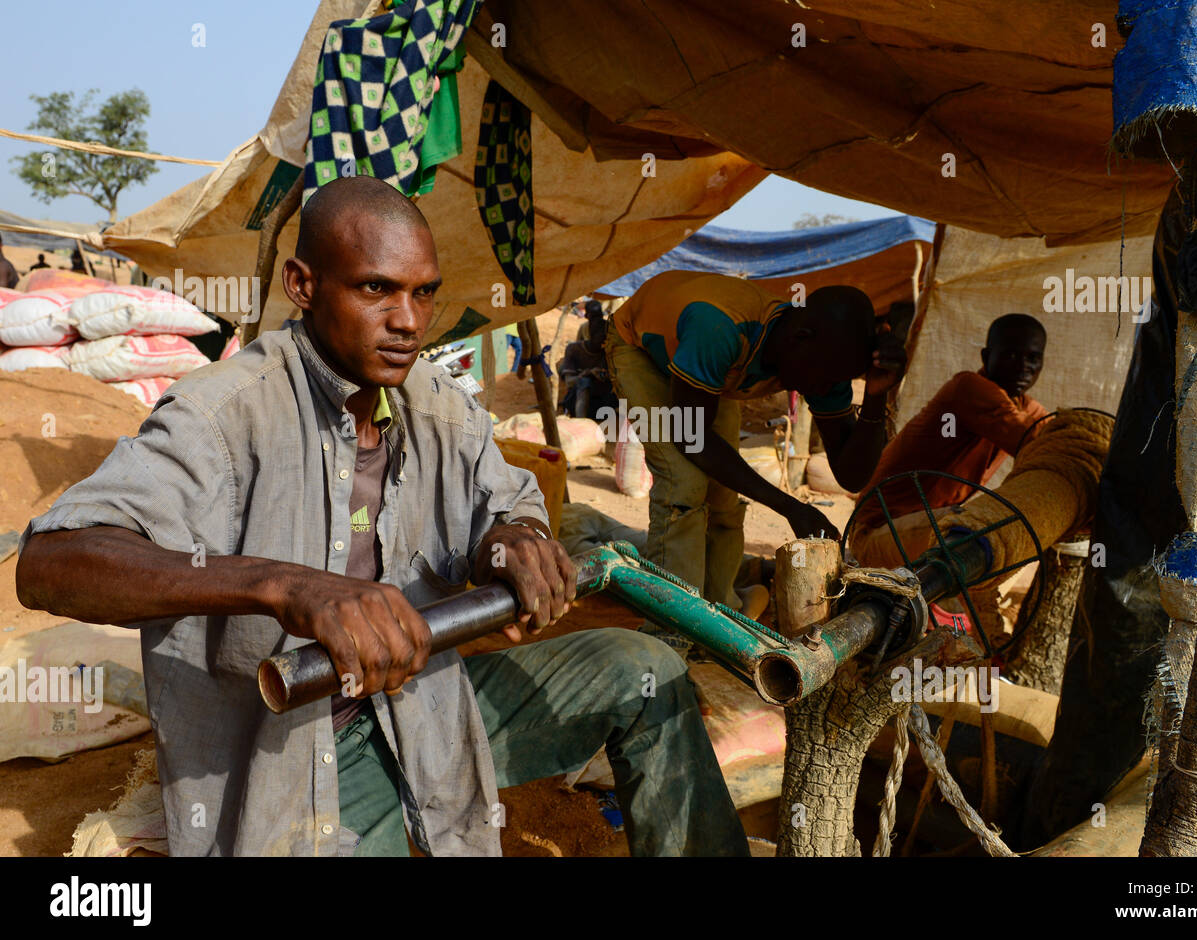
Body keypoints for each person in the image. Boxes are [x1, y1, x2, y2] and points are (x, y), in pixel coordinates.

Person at [16, 175, 746, 857]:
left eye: (424, 294)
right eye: (377, 290)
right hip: (295, 751)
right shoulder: (223, 414)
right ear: (302, 285)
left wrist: (511, 543)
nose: (408, 321)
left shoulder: (434, 400)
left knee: (644, 671)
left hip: (427, 708)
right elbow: (53, 562)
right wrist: (284, 586)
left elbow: (508, 502)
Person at [605, 270, 906, 641]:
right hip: (641, 349)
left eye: (836, 381)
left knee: (724, 497)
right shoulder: (719, 328)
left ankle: (718, 618)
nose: (825, 390)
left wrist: (877, 395)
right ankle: (672, 634)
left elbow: (852, 475)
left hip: (716, 374)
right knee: (684, 486)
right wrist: (790, 506)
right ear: (801, 337)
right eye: (825, 378)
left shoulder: (825, 362)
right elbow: (691, 439)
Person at [847, 312, 1050, 568]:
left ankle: (945, 600)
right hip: (878, 534)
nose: (1023, 367)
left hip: (919, 531)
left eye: (1033, 359)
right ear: (987, 358)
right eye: (1011, 355)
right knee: (984, 529)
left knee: (1011, 533)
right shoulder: (969, 388)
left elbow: (1055, 436)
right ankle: (949, 604)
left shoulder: (1022, 407)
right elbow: (1040, 442)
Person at [559, 301, 617, 420]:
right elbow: (570, 381)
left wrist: (606, 376)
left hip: (602, 404)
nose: (603, 343)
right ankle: (581, 422)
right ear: (591, 335)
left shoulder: (606, 351)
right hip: (579, 399)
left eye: (605, 340)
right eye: (600, 339)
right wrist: (589, 373)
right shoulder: (574, 349)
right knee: (584, 382)